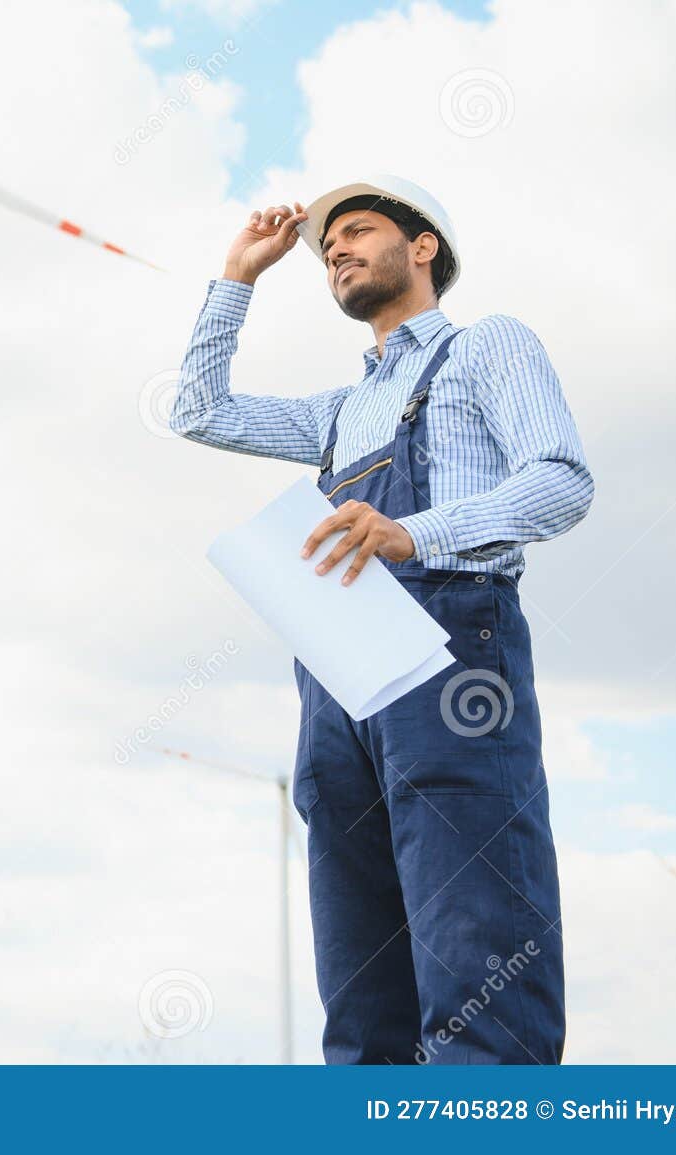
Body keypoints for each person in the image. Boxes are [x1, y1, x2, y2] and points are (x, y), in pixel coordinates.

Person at [169, 177, 593, 1064]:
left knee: (476, 948)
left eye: (358, 232)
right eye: (327, 248)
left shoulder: (488, 348)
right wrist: (238, 278)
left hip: (451, 663)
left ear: (424, 246)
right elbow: (197, 411)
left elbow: (561, 480)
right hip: (340, 679)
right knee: (360, 992)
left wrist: (414, 532)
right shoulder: (336, 410)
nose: (337, 251)